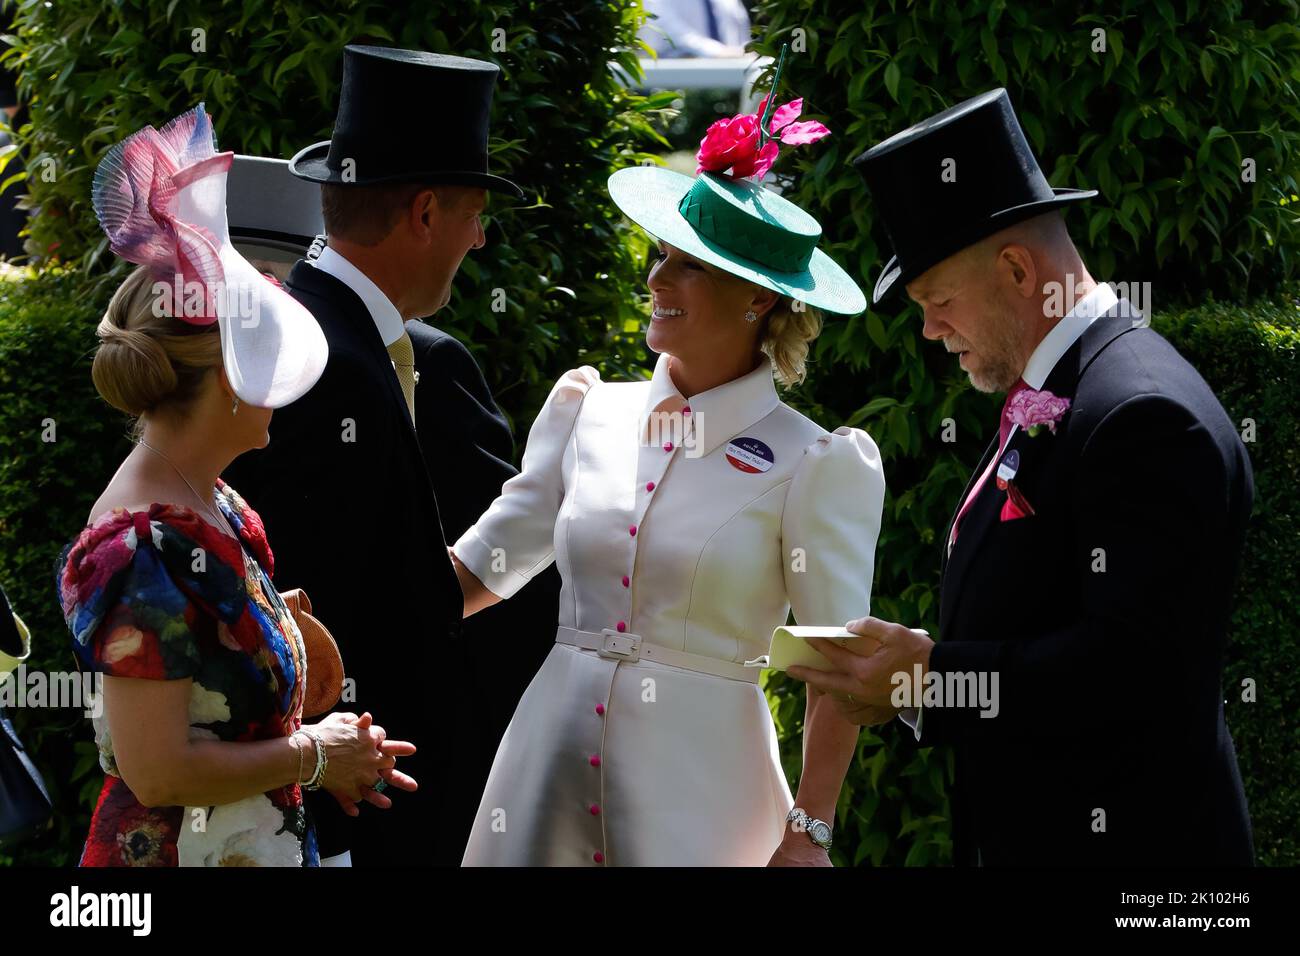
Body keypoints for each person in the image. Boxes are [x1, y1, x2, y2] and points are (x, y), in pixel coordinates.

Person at [791, 88, 1255, 866]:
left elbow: (1132, 674)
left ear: (1014, 268)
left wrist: (931, 681)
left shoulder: (1140, 415)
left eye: (937, 301)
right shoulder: (1072, 385)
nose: (932, 331)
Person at [451, 90, 886, 865]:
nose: (657, 279)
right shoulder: (586, 407)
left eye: (690, 266)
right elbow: (485, 564)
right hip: (540, 780)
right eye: (661, 256)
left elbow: (835, 671)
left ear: (758, 298)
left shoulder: (817, 462)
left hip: (706, 802)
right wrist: (325, 633)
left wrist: (809, 833)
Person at [55, 104, 416, 866]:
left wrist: (270, 639)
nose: (284, 392)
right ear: (227, 380)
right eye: (264, 361)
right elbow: (159, 770)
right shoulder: (140, 545)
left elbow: (206, 697)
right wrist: (315, 754)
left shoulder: (213, 501)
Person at [221, 45, 540, 866]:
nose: (479, 239)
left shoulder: (329, 334)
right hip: (357, 807)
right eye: (476, 213)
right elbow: (348, 617)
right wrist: (548, 508)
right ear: (426, 212)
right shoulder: (331, 365)